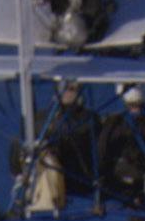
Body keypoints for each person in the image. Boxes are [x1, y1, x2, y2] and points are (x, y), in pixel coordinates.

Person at [30, 82, 99, 214]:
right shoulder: (43, 118)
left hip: (77, 172)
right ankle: (26, 182)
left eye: (72, 89)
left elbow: (79, 135)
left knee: (47, 154)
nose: (68, 92)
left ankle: (50, 195)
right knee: (27, 144)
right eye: (64, 88)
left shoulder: (89, 118)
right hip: (45, 163)